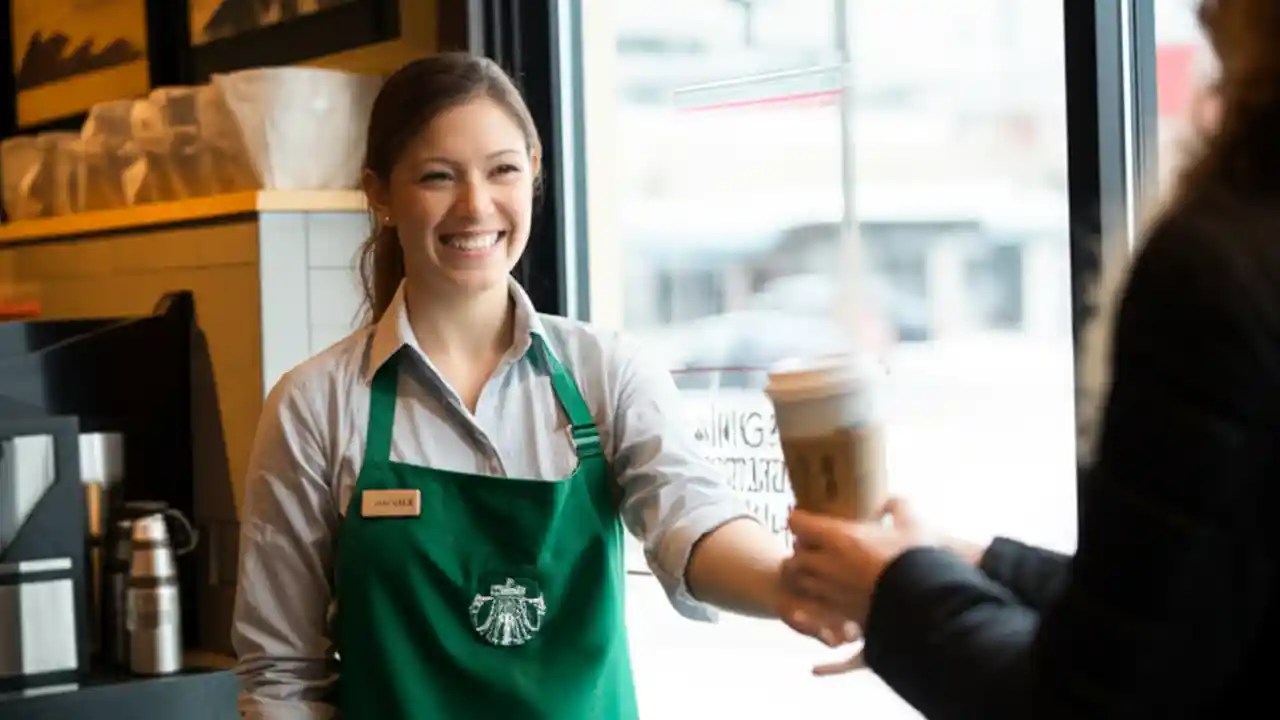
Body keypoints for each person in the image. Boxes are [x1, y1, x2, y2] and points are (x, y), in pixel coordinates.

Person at [231, 52, 852, 719]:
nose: (475, 205)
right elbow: (283, 677)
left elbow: (690, 519)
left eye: (502, 170)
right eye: (438, 176)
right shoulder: (314, 406)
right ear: (381, 195)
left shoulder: (604, 370)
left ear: (533, 172)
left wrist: (788, 584)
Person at [778, 1, 1280, 717]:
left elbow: (1085, 697)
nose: (1203, 12)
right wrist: (965, 564)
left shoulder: (1217, 273)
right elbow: (1173, 608)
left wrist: (896, 591)